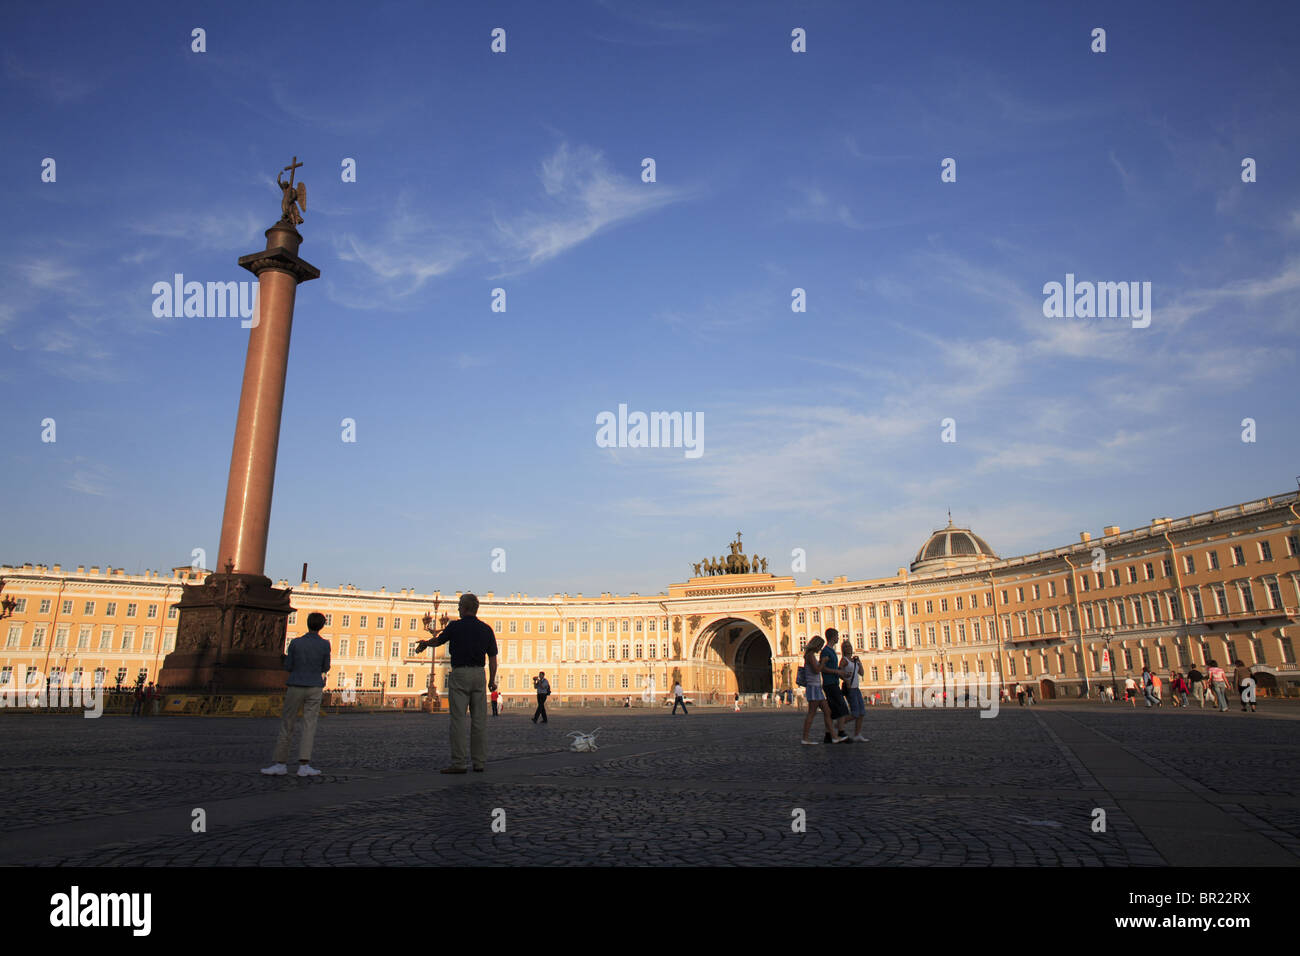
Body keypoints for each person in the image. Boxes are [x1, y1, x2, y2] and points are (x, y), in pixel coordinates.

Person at [415, 593, 499, 773]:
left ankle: (459, 763)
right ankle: (479, 762)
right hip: (479, 674)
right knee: (479, 721)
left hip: (460, 673)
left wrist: (425, 644)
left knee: (458, 720)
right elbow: (492, 658)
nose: (459, 608)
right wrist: (492, 680)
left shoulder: (455, 626)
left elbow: (438, 640)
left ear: (466, 607)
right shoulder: (486, 629)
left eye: (460, 605)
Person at [262, 611, 331, 777]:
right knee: (309, 725)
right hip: (314, 686)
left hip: (295, 685)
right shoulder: (324, 645)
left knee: (287, 724)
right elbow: (326, 667)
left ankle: (280, 764)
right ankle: (304, 765)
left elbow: (288, 666)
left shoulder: (295, 643)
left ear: (307, 624)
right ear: (322, 626)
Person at [800, 635, 842, 745]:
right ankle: (805, 738)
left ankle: (834, 736)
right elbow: (817, 670)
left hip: (817, 688)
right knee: (811, 713)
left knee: (827, 711)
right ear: (816, 645)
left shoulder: (811, 655)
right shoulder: (810, 655)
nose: (820, 649)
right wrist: (823, 661)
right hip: (813, 687)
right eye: (820, 646)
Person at [818, 629, 853, 742]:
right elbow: (822, 668)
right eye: (837, 636)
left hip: (833, 682)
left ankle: (828, 735)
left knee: (831, 711)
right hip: (830, 684)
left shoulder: (831, 651)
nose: (838, 638)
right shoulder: (826, 652)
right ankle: (841, 733)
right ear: (833, 637)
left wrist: (841, 673)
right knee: (842, 708)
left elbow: (832, 668)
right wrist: (837, 672)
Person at [840, 639, 868, 742]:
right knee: (855, 713)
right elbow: (840, 672)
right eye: (846, 646)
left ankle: (857, 734)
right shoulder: (844, 660)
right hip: (850, 689)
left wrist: (859, 662)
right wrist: (845, 680)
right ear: (843, 649)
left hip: (856, 688)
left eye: (849, 646)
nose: (848, 648)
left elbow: (861, 673)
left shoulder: (854, 660)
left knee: (862, 712)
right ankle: (839, 724)